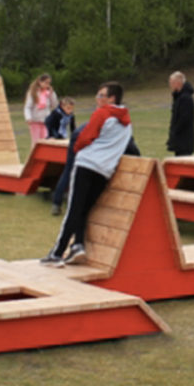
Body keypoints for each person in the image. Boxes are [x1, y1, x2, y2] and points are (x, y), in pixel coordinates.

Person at [42, 82, 132, 266]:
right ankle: (78, 245)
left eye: (101, 96)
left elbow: (84, 137)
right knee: (83, 209)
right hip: (105, 171)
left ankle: (57, 253)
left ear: (111, 99)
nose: (97, 99)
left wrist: (77, 149)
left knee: (73, 209)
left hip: (86, 165)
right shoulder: (127, 124)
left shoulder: (102, 114)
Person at [166, 71, 194, 157]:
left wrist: (175, 130)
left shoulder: (186, 98)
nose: (170, 85)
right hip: (178, 139)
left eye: (171, 83)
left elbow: (184, 118)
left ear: (178, 83)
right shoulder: (178, 97)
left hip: (184, 139)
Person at [23, 74, 59, 142]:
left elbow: (55, 105)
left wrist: (52, 94)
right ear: (40, 82)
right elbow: (27, 107)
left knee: (46, 141)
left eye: (49, 83)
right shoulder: (33, 92)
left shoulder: (48, 93)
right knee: (36, 141)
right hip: (35, 121)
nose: (47, 85)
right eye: (46, 82)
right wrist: (28, 118)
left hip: (46, 121)